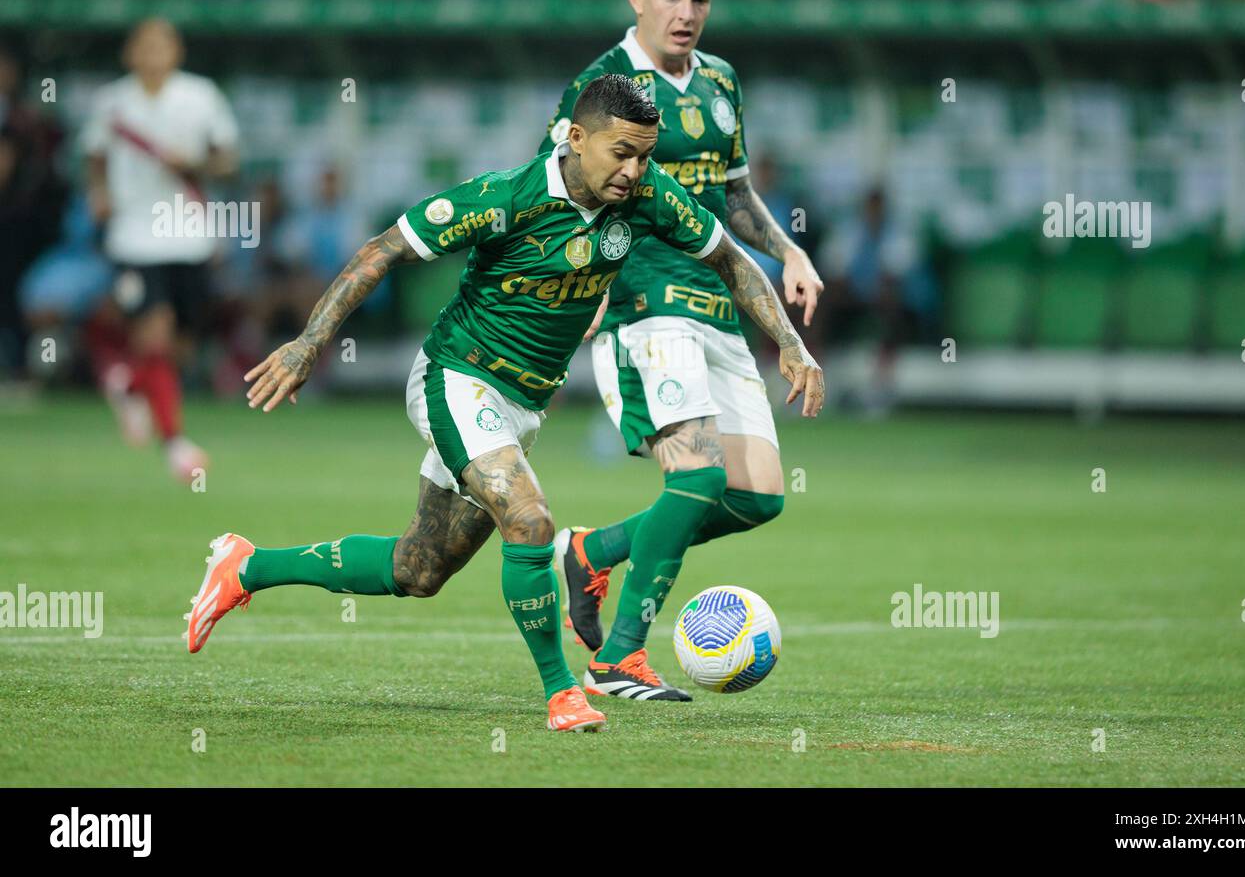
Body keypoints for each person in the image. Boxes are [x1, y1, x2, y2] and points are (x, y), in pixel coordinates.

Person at [185, 74, 824, 732]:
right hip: (457, 377)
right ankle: (563, 692)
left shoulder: (649, 195)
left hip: (522, 405)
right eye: (621, 153)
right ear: (576, 139)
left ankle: (247, 565)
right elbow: (383, 250)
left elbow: (729, 258)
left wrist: (790, 344)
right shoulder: (505, 198)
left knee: (419, 566)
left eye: (645, 155)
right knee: (530, 519)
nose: (635, 171)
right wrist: (309, 343)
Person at [537, 0, 824, 697]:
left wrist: (788, 252)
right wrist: (581, 282)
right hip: (642, 307)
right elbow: (556, 195)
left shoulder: (722, 81)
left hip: (717, 304)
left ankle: (593, 552)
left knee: (759, 493)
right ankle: (618, 657)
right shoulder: (600, 88)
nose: (687, 12)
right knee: (695, 478)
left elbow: (732, 194)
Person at [82, 18, 239, 479]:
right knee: (156, 333)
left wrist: (194, 162)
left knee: (180, 347)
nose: (151, 54)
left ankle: (127, 385)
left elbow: (227, 160)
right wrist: (99, 193)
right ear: (130, 54)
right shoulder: (112, 101)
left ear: (176, 52)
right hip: (134, 236)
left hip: (189, 236)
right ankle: (176, 445)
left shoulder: (201, 95)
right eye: (143, 46)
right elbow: (95, 157)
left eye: (161, 46)